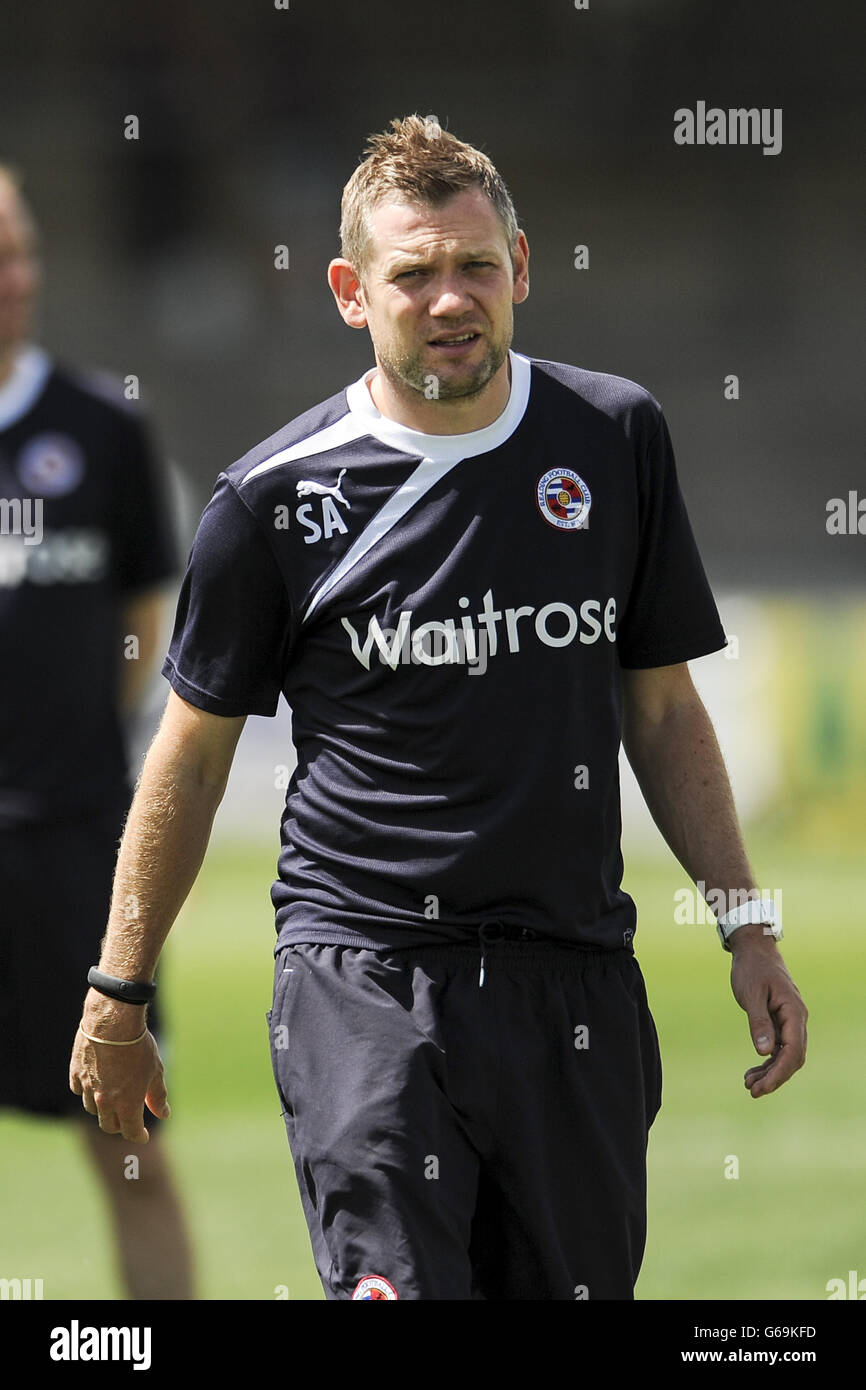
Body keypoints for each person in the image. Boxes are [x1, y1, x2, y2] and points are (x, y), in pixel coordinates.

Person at [69, 115, 808, 1302]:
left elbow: (661, 711)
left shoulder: (614, 437)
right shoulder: (270, 498)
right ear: (350, 292)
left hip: (573, 976)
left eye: (474, 265)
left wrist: (746, 925)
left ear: (521, 267)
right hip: (362, 978)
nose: (449, 297)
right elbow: (191, 757)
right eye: (412, 272)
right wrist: (118, 988)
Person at [0, 164, 193, 1299]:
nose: (12, 279)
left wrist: (82, 750)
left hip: (77, 847)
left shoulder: (103, 430)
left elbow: (139, 623)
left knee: (127, 1140)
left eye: (21, 253)